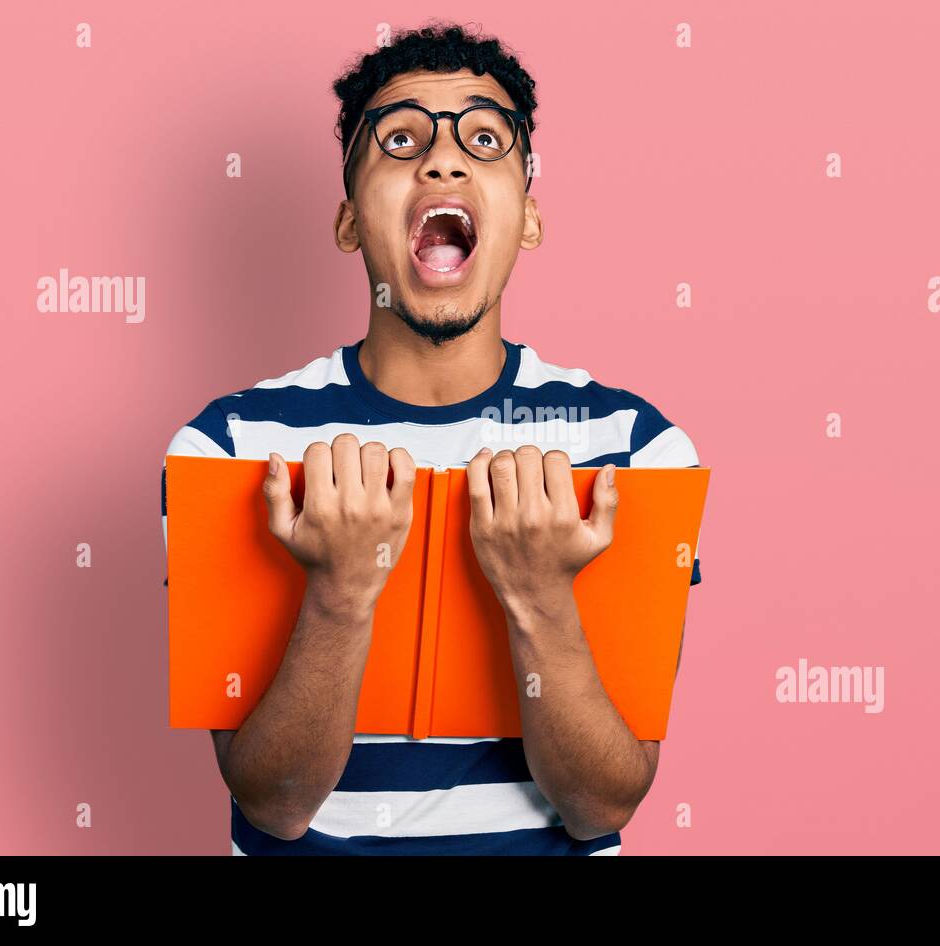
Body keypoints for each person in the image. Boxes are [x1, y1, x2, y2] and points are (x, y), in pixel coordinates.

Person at [162, 21, 702, 855]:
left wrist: (538, 595)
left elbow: (603, 805)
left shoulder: (635, 448)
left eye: (484, 138)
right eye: (401, 138)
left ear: (527, 218)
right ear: (348, 222)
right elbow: (274, 805)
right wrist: (340, 590)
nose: (442, 160)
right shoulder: (227, 447)